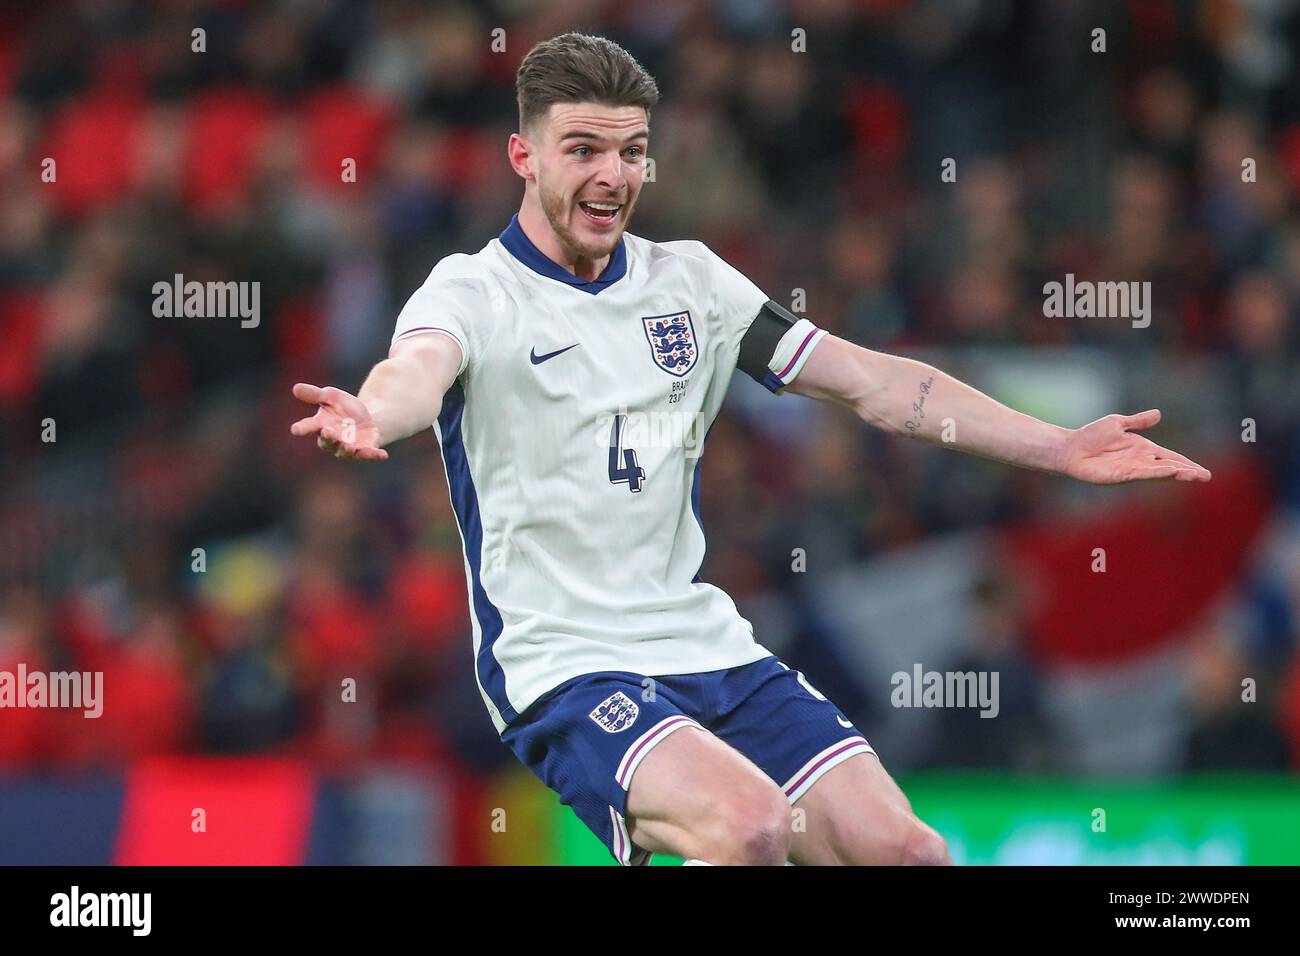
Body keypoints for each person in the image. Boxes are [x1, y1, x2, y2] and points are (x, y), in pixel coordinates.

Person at [289, 33, 1211, 865]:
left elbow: (875, 385)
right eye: (583, 151)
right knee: (748, 827)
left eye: (632, 152)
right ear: (523, 157)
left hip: (703, 642)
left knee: (909, 854)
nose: (613, 176)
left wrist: (1057, 447)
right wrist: (373, 412)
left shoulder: (691, 282)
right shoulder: (476, 291)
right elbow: (417, 368)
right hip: (563, 661)